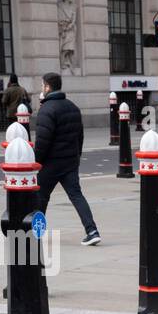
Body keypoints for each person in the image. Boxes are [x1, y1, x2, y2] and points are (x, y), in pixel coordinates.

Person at [33, 72, 100, 246]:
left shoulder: (46, 110)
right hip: (70, 161)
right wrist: (77, 156)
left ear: (48, 87)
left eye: (42, 85)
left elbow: (42, 141)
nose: (42, 89)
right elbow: (80, 136)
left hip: (50, 163)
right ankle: (92, 231)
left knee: (40, 196)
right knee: (76, 195)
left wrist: (36, 162)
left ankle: (35, 233)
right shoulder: (73, 107)